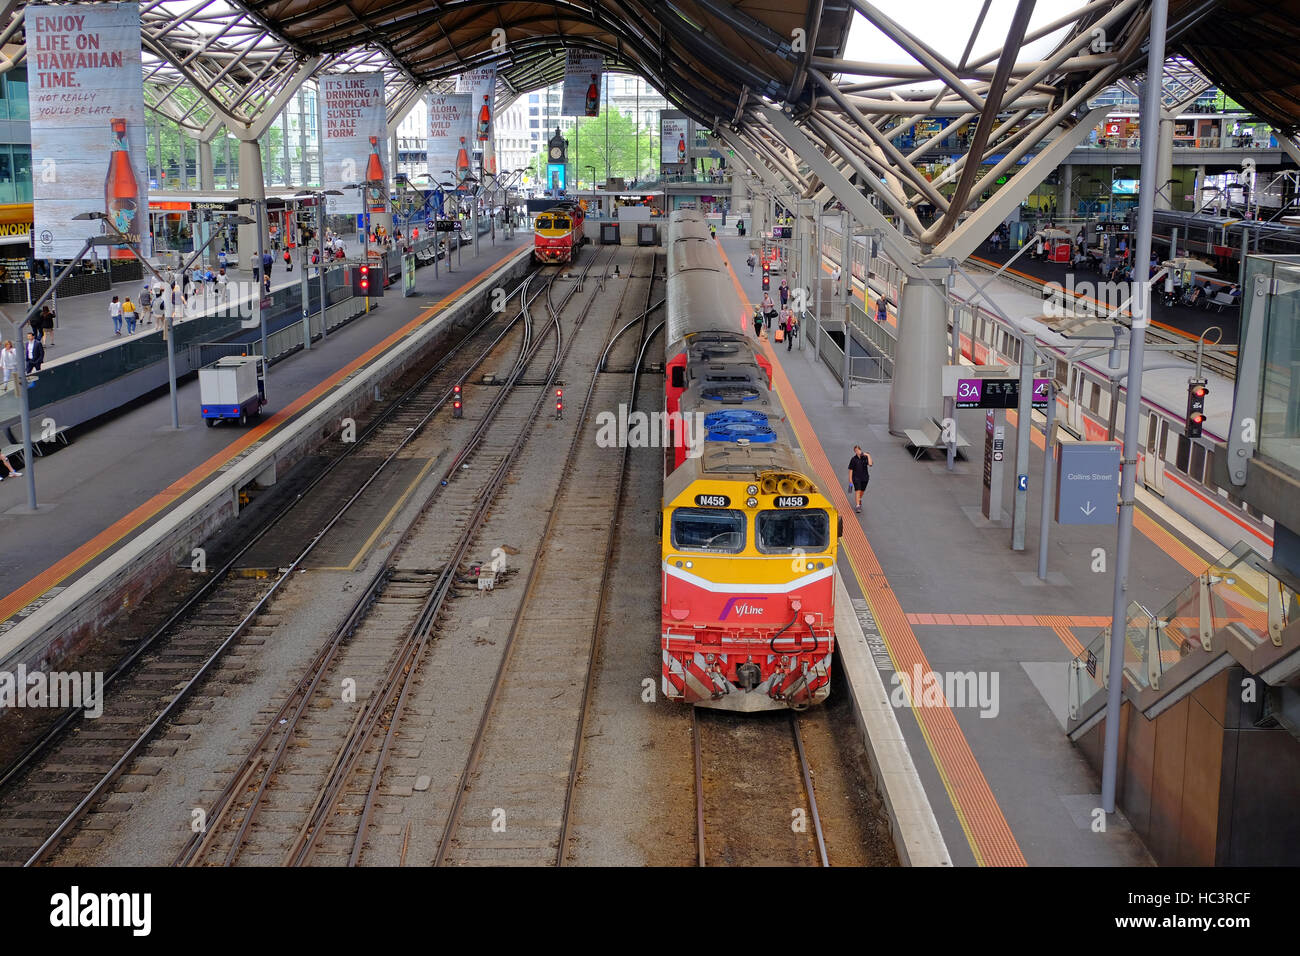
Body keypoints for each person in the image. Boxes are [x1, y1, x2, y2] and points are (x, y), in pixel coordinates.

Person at [847, 445, 873, 514]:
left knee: (862, 491)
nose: (857, 452)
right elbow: (850, 469)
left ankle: (859, 499)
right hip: (856, 478)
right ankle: (858, 506)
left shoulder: (865, 457)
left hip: (865, 477)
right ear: (855, 452)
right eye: (856, 451)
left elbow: (870, 464)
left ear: (860, 450)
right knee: (857, 491)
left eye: (858, 450)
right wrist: (850, 479)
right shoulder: (853, 459)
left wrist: (868, 455)